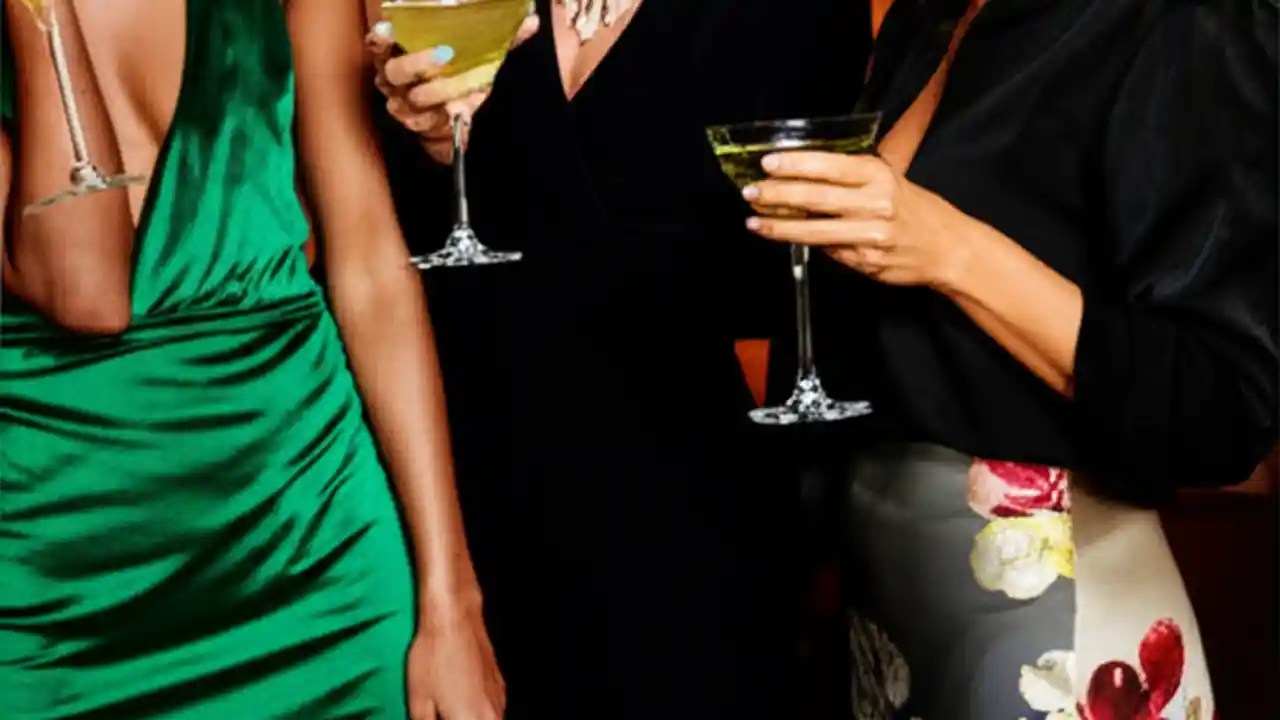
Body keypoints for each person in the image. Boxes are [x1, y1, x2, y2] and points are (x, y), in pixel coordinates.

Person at [740, 0, 1278, 717]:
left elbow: (1221, 408)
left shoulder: (1190, 19)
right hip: (888, 626)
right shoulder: (928, 14)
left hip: (1059, 629)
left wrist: (954, 251)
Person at [0, 0, 503, 717]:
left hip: (316, 554)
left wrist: (451, 597)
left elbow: (368, 266)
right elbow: (84, 289)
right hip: (49, 595)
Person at [370, 0, 871, 717]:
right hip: (444, 491)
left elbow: (793, 279)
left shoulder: (794, 15)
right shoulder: (457, 8)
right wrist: (432, 148)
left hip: (676, 510)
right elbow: (392, 256)